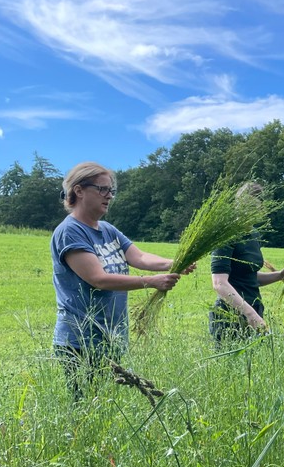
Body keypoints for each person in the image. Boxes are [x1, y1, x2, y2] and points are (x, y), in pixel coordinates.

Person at [51, 162, 194, 400]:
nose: (109, 196)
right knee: (88, 408)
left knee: (108, 406)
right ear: (79, 190)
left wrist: (175, 263)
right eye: (102, 189)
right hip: (81, 340)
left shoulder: (107, 230)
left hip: (111, 337)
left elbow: (139, 257)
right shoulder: (70, 232)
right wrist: (152, 282)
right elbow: (99, 279)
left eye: (111, 190)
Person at [209, 183, 284, 344]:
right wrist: (249, 314)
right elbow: (219, 283)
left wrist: (279, 275)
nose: (250, 211)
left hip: (255, 310)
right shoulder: (226, 236)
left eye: (255, 207)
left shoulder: (254, 235)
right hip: (230, 316)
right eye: (246, 206)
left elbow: (249, 277)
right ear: (237, 205)